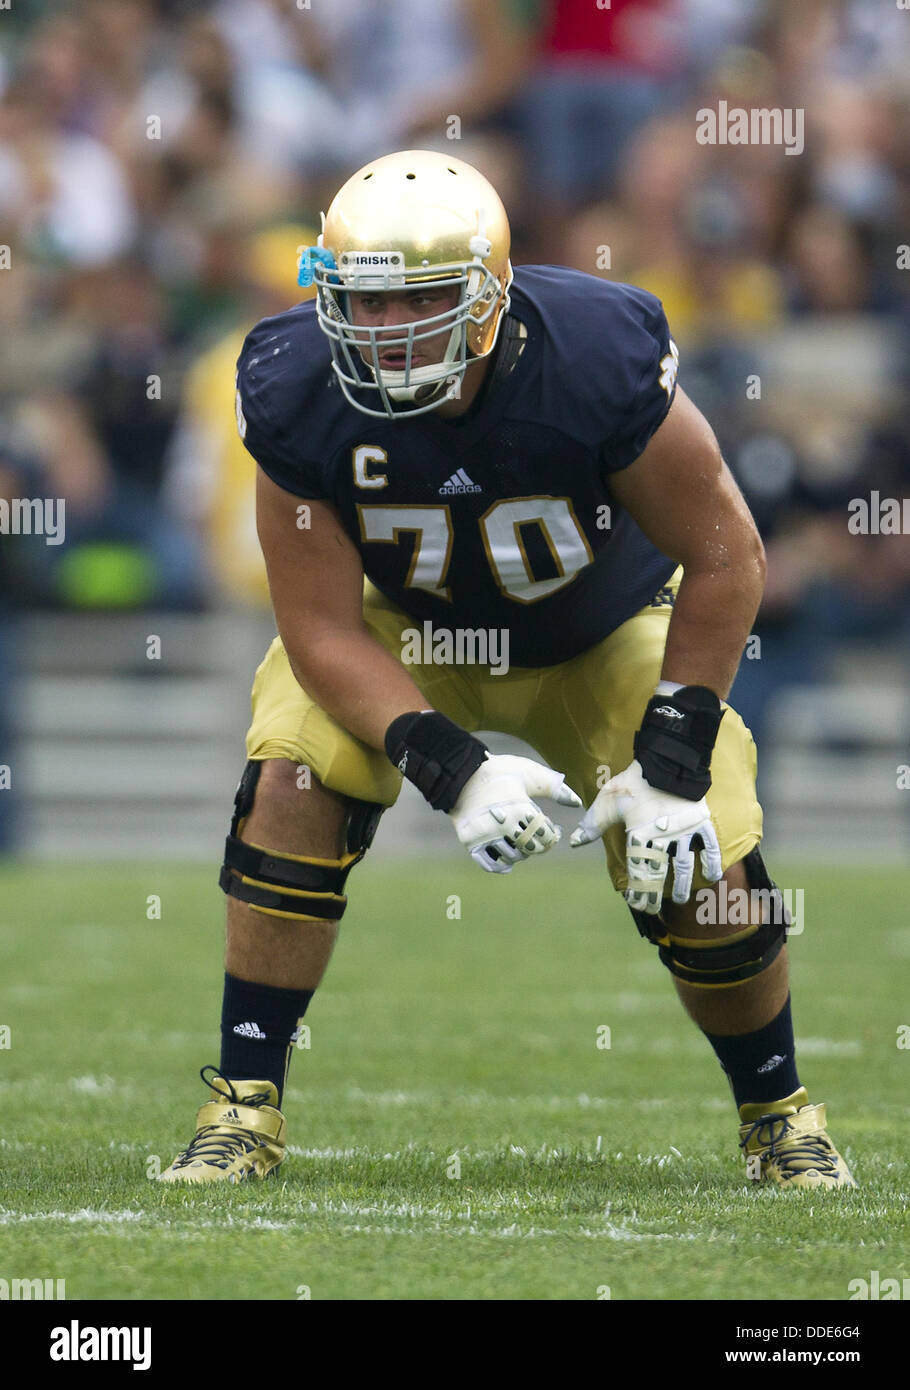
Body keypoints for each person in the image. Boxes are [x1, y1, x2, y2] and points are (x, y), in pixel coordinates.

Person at [160, 149, 854, 1189]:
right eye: (364, 302)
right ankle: (242, 1108)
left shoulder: (592, 355)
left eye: (422, 301)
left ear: (487, 297)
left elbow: (726, 556)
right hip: (404, 634)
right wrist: (449, 763)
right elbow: (317, 626)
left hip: (602, 629)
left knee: (703, 851)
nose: (386, 332)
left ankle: (779, 1116)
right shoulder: (296, 383)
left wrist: (669, 761)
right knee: (291, 781)